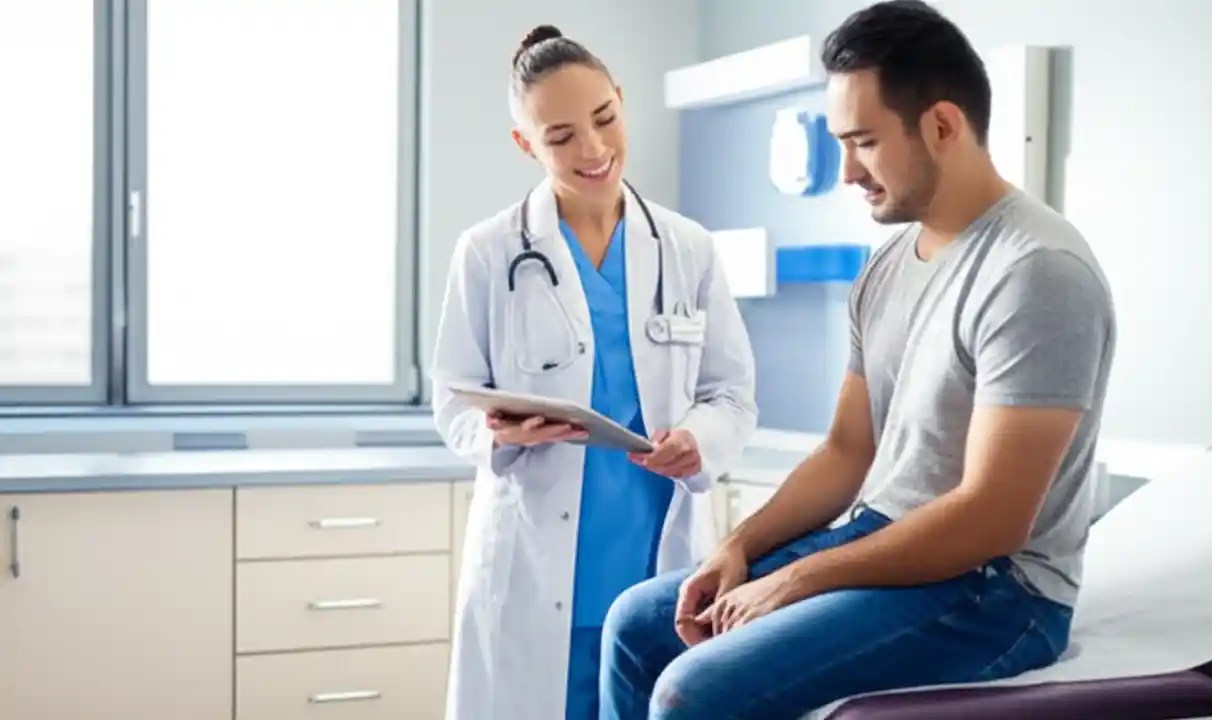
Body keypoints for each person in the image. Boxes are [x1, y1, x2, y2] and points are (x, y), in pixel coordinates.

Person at [598, 2, 1117, 718]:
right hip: (885, 537)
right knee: (637, 626)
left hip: (997, 591)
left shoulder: (1037, 272)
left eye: (864, 142)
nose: (846, 171)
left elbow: (994, 519)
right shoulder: (887, 267)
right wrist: (740, 550)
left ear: (941, 125)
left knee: (696, 690)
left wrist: (801, 578)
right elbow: (848, 451)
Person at [430, 24, 758, 720]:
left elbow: (731, 392)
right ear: (526, 144)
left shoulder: (687, 248)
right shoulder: (488, 252)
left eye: (605, 118)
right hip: (537, 563)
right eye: (561, 136)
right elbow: (452, 398)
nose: (594, 149)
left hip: (653, 558)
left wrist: (700, 437)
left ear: (622, 102)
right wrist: (499, 436)